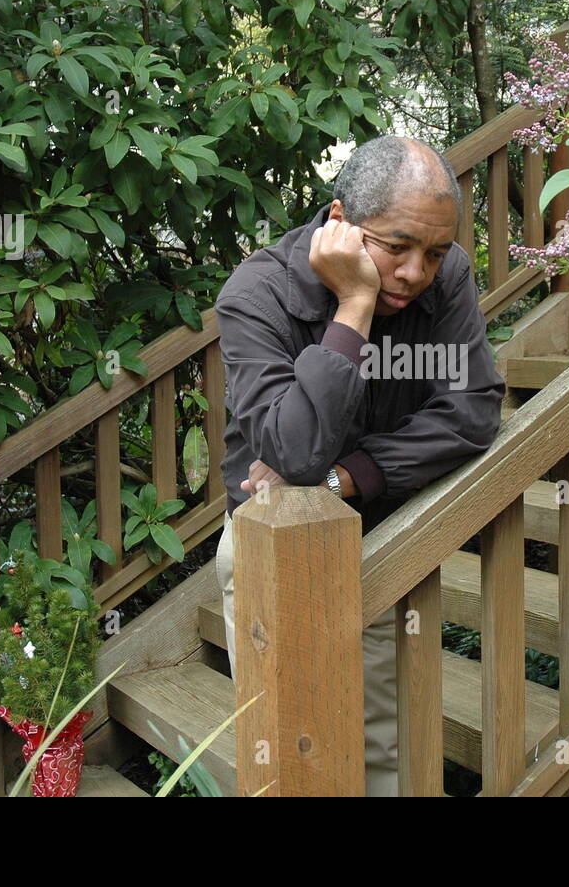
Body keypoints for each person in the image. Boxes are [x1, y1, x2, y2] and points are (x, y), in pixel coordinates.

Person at [213, 135, 505, 796]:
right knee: (286, 753)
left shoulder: (448, 273)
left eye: (433, 252)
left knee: (377, 762)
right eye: (395, 247)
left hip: (381, 541)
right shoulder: (257, 292)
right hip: (271, 551)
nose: (415, 272)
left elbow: (473, 411)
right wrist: (353, 306)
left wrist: (341, 478)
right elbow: (292, 449)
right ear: (340, 221)